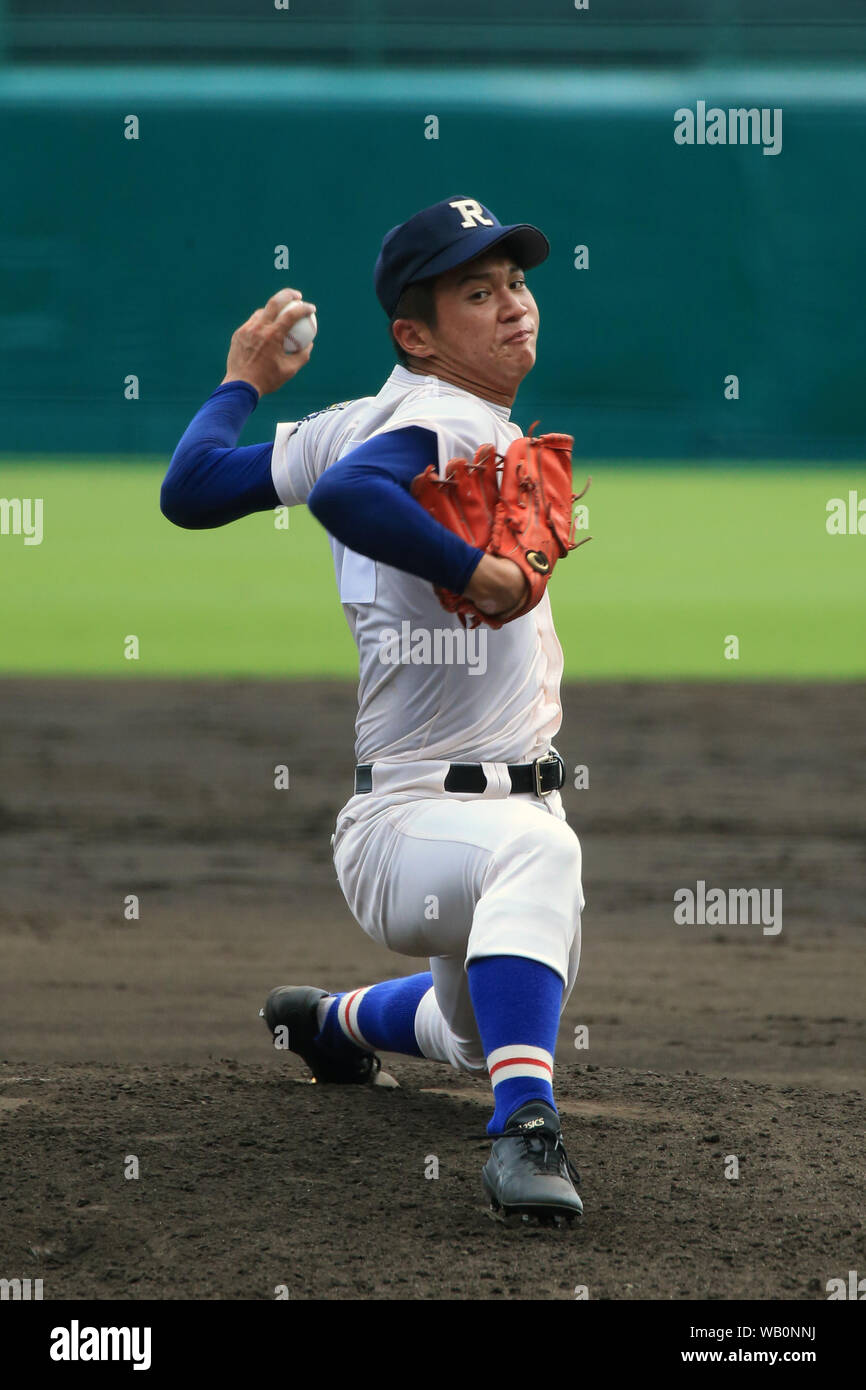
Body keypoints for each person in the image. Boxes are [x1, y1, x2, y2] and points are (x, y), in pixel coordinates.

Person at [161, 196, 585, 1226]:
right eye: (476, 293)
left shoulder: (355, 416)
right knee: (539, 863)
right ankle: (524, 1131)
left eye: (515, 283)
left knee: (479, 1027)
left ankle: (335, 1023)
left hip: (442, 837)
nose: (512, 306)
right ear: (416, 335)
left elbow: (192, 486)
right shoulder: (436, 421)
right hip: (417, 823)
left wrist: (241, 386)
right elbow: (354, 494)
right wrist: (469, 569)